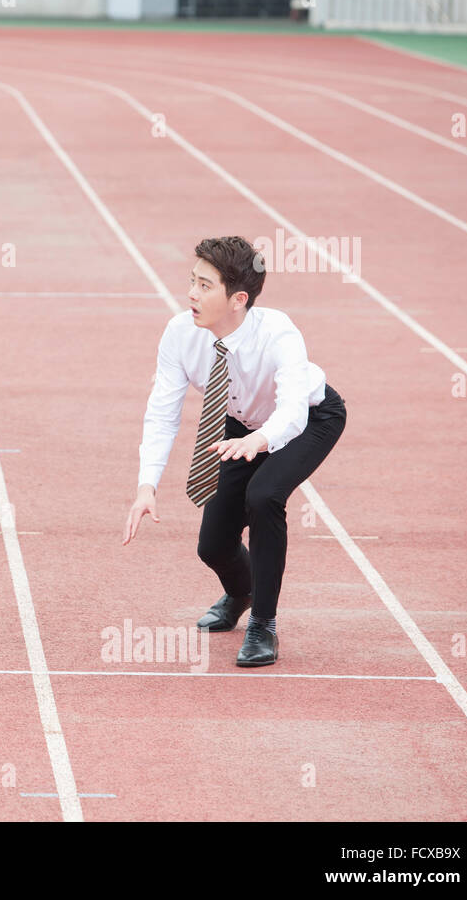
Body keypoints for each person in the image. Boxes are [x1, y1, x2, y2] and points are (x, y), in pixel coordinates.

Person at [123, 237, 346, 667]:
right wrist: (146, 485)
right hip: (239, 424)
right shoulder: (179, 333)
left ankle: (264, 623)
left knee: (263, 497)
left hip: (308, 420)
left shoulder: (279, 333)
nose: (191, 293)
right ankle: (240, 592)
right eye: (192, 281)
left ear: (238, 299)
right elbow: (163, 413)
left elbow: (293, 412)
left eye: (205, 286)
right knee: (213, 547)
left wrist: (258, 441)